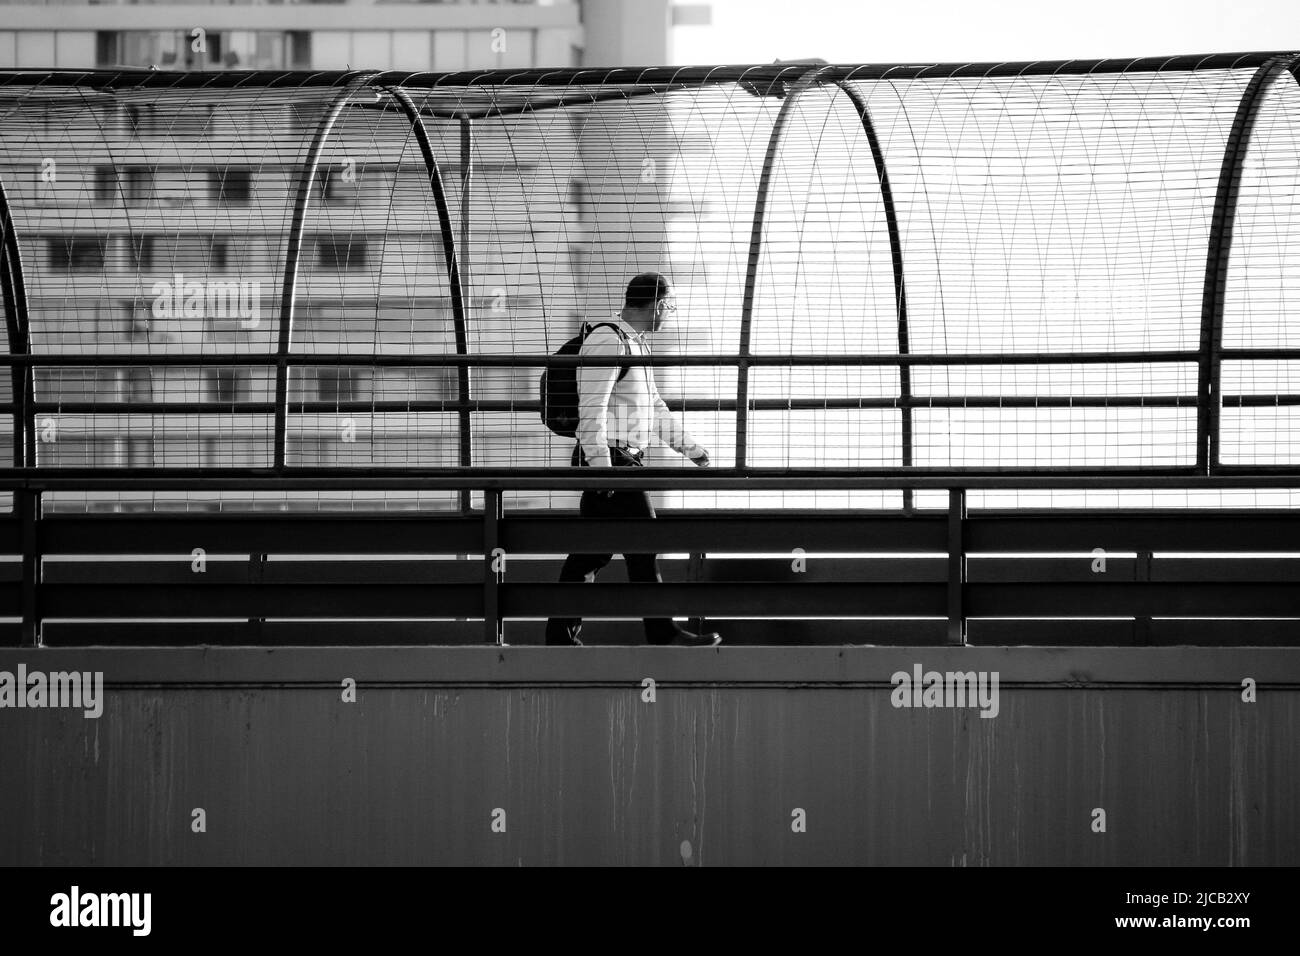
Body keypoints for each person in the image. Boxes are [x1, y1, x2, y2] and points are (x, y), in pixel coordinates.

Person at [544, 272, 721, 647]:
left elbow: (655, 409)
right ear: (657, 305)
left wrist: (693, 451)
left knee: (591, 554)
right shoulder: (608, 339)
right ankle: (662, 633)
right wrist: (602, 472)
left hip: (622, 461)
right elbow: (592, 411)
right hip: (612, 461)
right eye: (669, 307)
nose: (669, 315)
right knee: (643, 542)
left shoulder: (635, 345)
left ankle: (559, 637)